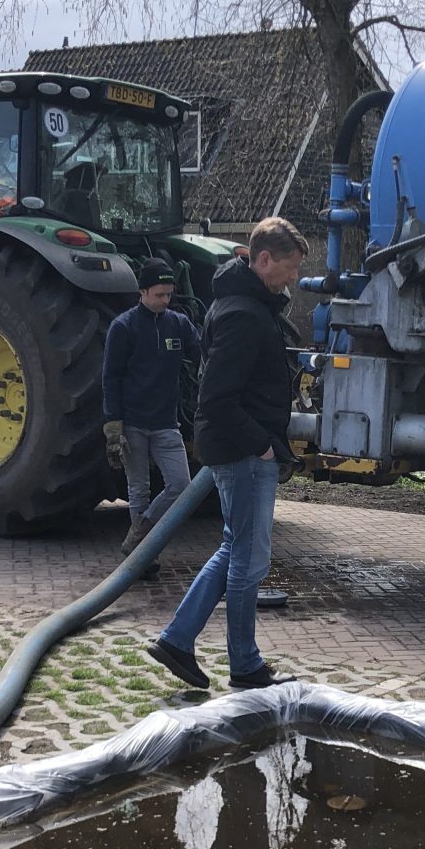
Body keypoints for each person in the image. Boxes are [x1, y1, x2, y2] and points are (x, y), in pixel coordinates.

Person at [144, 217, 308, 692]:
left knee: (234, 548)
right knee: (249, 560)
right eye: (289, 267)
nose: (293, 278)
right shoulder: (243, 313)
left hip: (240, 449)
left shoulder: (242, 304)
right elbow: (216, 398)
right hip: (243, 453)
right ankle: (245, 666)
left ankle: (177, 640)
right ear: (262, 260)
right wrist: (260, 446)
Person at [102, 257, 199, 562]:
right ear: (142, 292)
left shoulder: (178, 324)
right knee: (139, 489)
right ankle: (144, 559)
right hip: (132, 423)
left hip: (166, 422)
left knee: (181, 484)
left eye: (169, 295)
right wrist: (113, 425)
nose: (165, 300)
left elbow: (201, 354)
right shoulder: (123, 328)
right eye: (159, 295)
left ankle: (139, 534)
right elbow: (111, 377)